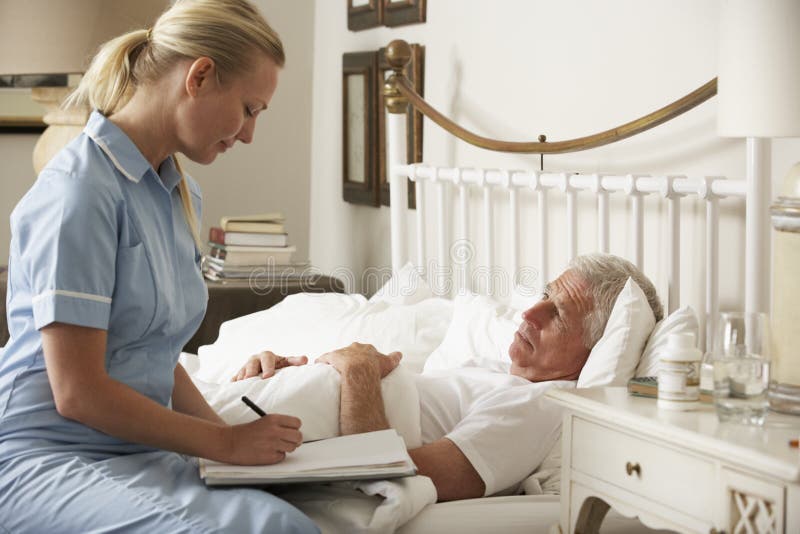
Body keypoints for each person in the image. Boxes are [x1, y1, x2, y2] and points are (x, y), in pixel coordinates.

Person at [0, 1, 318, 532]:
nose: (248, 134)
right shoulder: (79, 193)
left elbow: (151, 355)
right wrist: (225, 442)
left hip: (134, 451)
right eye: (250, 108)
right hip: (45, 458)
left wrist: (232, 449)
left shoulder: (175, 192)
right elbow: (78, 392)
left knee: (289, 524)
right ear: (199, 76)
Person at [235, 253, 663, 502]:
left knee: (181, 432)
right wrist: (285, 371)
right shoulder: (493, 371)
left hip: (313, 425)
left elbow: (398, 476)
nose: (529, 313)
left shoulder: (542, 406)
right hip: (290, 403)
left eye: (559, 314)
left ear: (590, 351)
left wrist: (360, 371)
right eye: (545, 295)